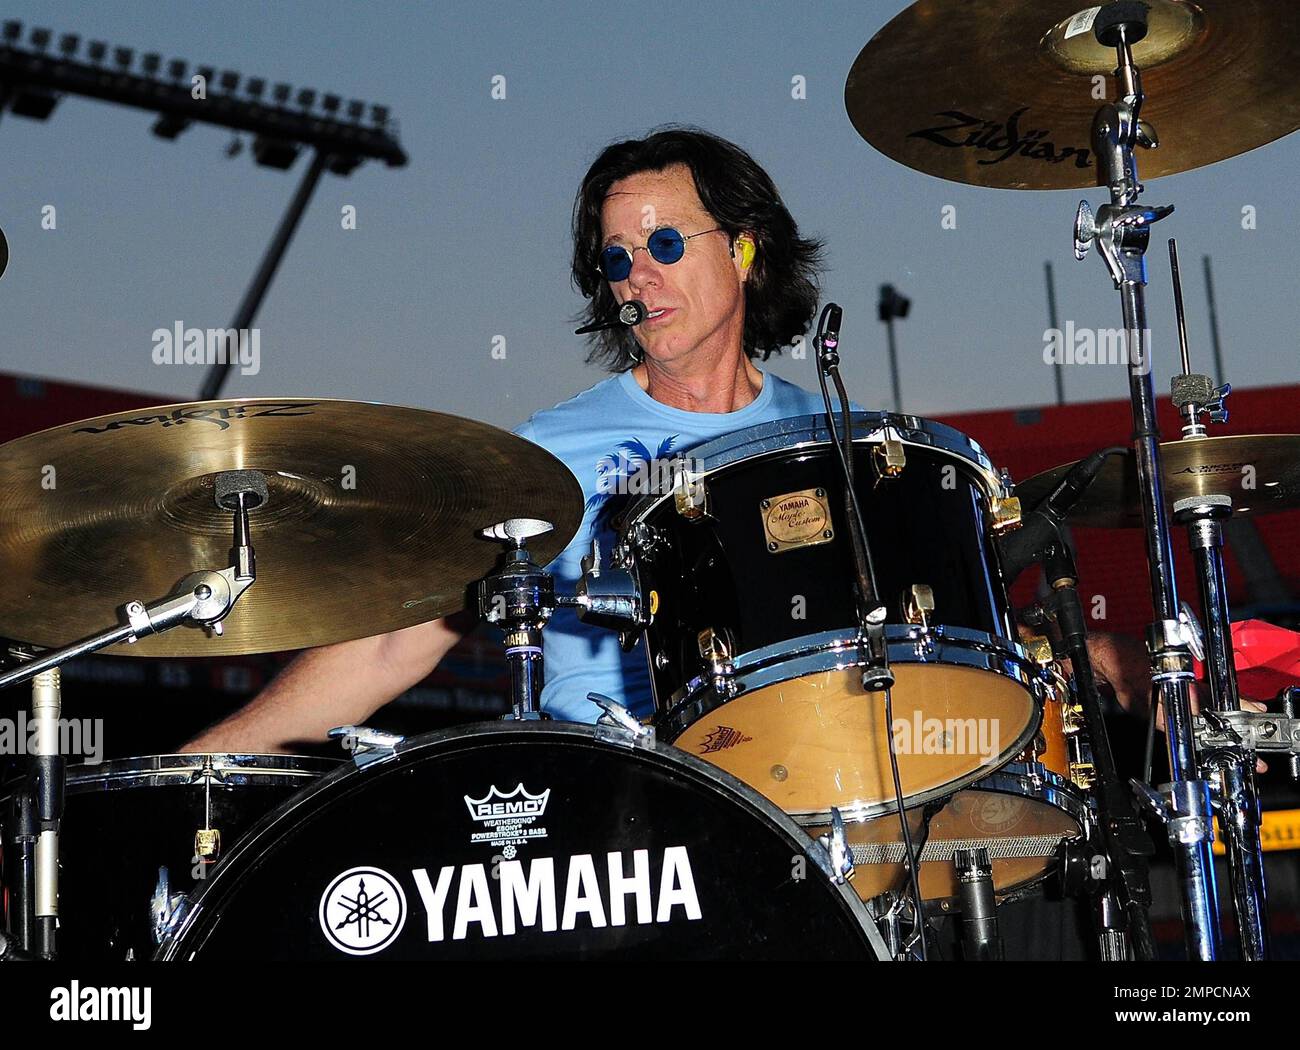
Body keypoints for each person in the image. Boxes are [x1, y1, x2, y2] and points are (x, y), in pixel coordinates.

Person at [182, 126, 1156, 755]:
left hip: (824, 793)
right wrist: (202, 760)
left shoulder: (841, 447)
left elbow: (942, 637)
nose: (633, 276)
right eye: (614, 257)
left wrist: (1086, 654)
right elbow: (396, 640)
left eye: (661, 245)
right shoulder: (546, 455)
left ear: (743, 248)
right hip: (617, 823)